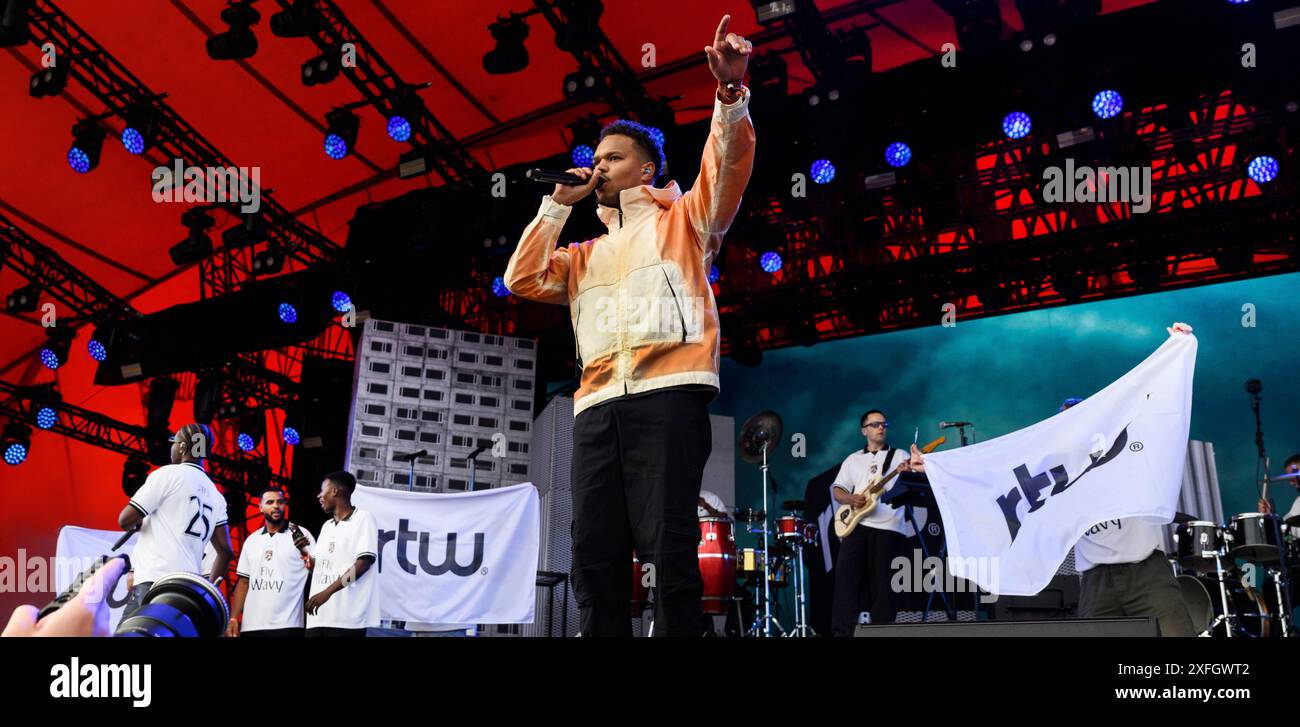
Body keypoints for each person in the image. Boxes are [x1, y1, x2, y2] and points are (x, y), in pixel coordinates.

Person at [504, 15, 756, 636]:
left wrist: (729, 95)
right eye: (595, 158)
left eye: (613, 158)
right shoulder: (583, 253)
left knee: (669, 544)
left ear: (645, 171)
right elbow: (521, 278)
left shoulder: (684, 220)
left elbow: (726, 169)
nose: (598, 166)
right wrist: (553, 208)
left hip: (668, 395)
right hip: (596, 407)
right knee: (595, 549)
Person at [117, 423, 232, 620]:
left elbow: (124, 519)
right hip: (187, 587)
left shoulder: (167, 474)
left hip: (155, 579)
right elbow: (225, 550)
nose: (171, 448)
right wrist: (207, 590)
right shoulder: (216, 494)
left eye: (174, 443)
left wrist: (135, 523)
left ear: (181, 447)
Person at [829, 409, 916, 635]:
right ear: (864, 430)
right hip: (856, 526)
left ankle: (882, 632)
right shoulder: (853, 459)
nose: (881, 428)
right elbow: (838, 491)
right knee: (846, 582)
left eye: (884, 424)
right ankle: (842, 633)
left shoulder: (899, 456)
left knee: (884, 587)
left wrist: (908, 472)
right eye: (875, 424)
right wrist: (851, 499)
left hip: (888, 527)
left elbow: (908, 488)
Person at [227, 486, 315, 637]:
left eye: (280, 502)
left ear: (285, 505)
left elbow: (315, 570)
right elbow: (243, 582)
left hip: (288, 624)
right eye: (270, 502)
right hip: (252, 625)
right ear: (260, 507)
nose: (276, 505)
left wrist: (305, 552)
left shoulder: (300, 533)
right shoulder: (252, 540)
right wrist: (234, 618)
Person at [305, 471, 379, 638]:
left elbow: (362, 565)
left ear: (335, 491)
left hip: (346, 621)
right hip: (317, 618)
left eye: (322, 490)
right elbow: (315, 569)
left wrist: (328, 592)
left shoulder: (363, 518)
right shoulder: (327, 526)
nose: (319, 496)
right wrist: (303, 551)